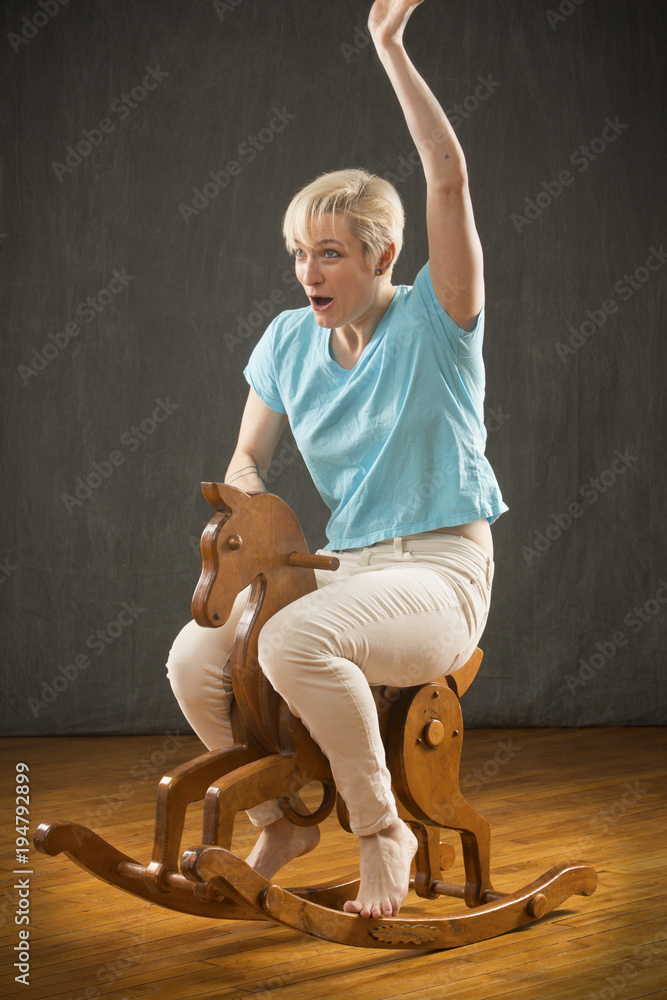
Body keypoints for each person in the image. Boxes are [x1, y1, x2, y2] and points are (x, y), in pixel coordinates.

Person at [167, 0, 507, 921]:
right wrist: (251, 520)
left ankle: (380, 830)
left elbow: (447, 179)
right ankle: (285, 819)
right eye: (296, 254)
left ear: (381, 254)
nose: (307, 272)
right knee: (196, 658)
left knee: (290, 639)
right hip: (346, 568)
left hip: (439, 574)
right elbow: (246, 459)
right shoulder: (287, 342)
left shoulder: (437, 322)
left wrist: (388, 47)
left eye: (328, 254)